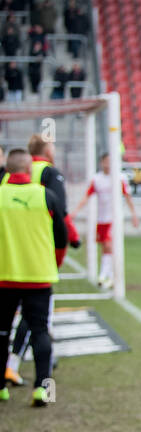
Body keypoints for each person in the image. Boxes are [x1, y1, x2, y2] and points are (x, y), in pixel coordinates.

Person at [6, 135, 82, 388]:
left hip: (6, 268)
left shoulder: (4, 185)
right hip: (37, 266)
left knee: (9, 326)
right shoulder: (49, 176)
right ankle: (41, 384)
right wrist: (69, 243)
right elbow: (62, 216)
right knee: (38, 326)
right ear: (45, 150)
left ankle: (10, 370)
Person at [0, 149, 68, 407]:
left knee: (2, 332)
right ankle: (42, 389)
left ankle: (1, 388)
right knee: (40, 331)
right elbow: (61, 238)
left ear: (6, 170)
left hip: (4, 276)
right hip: (38, 276)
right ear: (29, 171)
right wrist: (55, 264)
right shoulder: (46, 196)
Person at [70, 153, 140, 289]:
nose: (107, 164)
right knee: (105, 247)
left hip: (113, 219)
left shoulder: (120, 178)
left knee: (109, 245)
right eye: (105, 162)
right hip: (100, 218)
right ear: (101, 163)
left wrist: (134, 215)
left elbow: (128, 197)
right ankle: (109, 275)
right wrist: (75, 212)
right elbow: (87, 196)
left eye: (109, 161)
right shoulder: (97, 179)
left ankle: (105, 275)